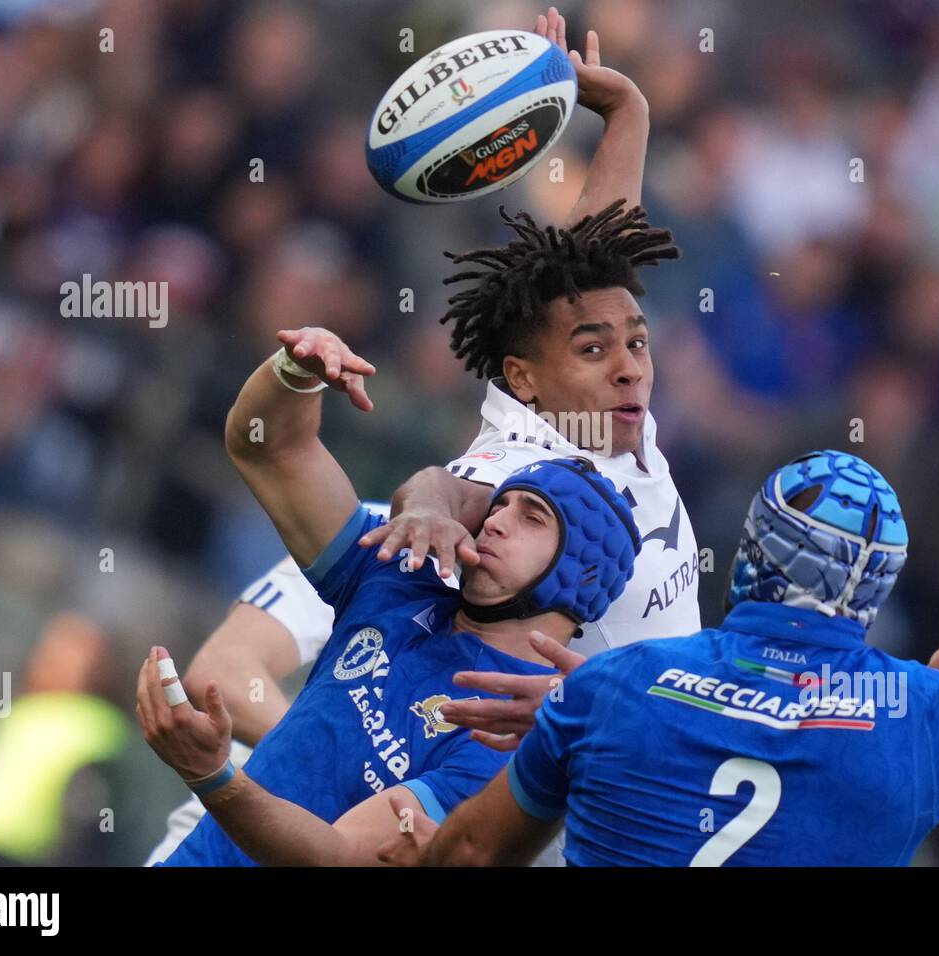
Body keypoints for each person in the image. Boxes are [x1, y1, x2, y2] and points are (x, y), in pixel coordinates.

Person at [144, 8, 701, 863]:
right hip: (538, 802)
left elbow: (592, 272)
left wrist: (625, 118)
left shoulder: (593, 411)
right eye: (598, 350)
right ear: (525, 380)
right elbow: (423, 489)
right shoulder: (424, 563)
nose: (631, 366)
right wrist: (324, 752)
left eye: (637, 344)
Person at [382, 451, 939, 866]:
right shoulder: (936, 712)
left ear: (749, 553)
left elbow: (472, 854)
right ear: (875, 589)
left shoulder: (614, 684)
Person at [139, 324, 638, 865]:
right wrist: (295, 372)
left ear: (583, 577)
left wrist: (213, 776)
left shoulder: (512, 734)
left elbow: (335, 858)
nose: (495, 523)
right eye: (500, 506)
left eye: (532, 518)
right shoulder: (396, 577)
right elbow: (269, 449)